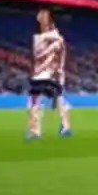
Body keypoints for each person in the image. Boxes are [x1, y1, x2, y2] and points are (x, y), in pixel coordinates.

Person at [27, 8, 71, 140]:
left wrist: (60, 70)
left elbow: (61, 51)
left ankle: (64, 126)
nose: (42, 19)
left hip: (49, 75)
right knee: (37, 101)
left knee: (56, 100)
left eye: (44, 17)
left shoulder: (53, 37)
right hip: (39, 75)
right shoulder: (39, 37)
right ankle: (37, 131)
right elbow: (37, 54)